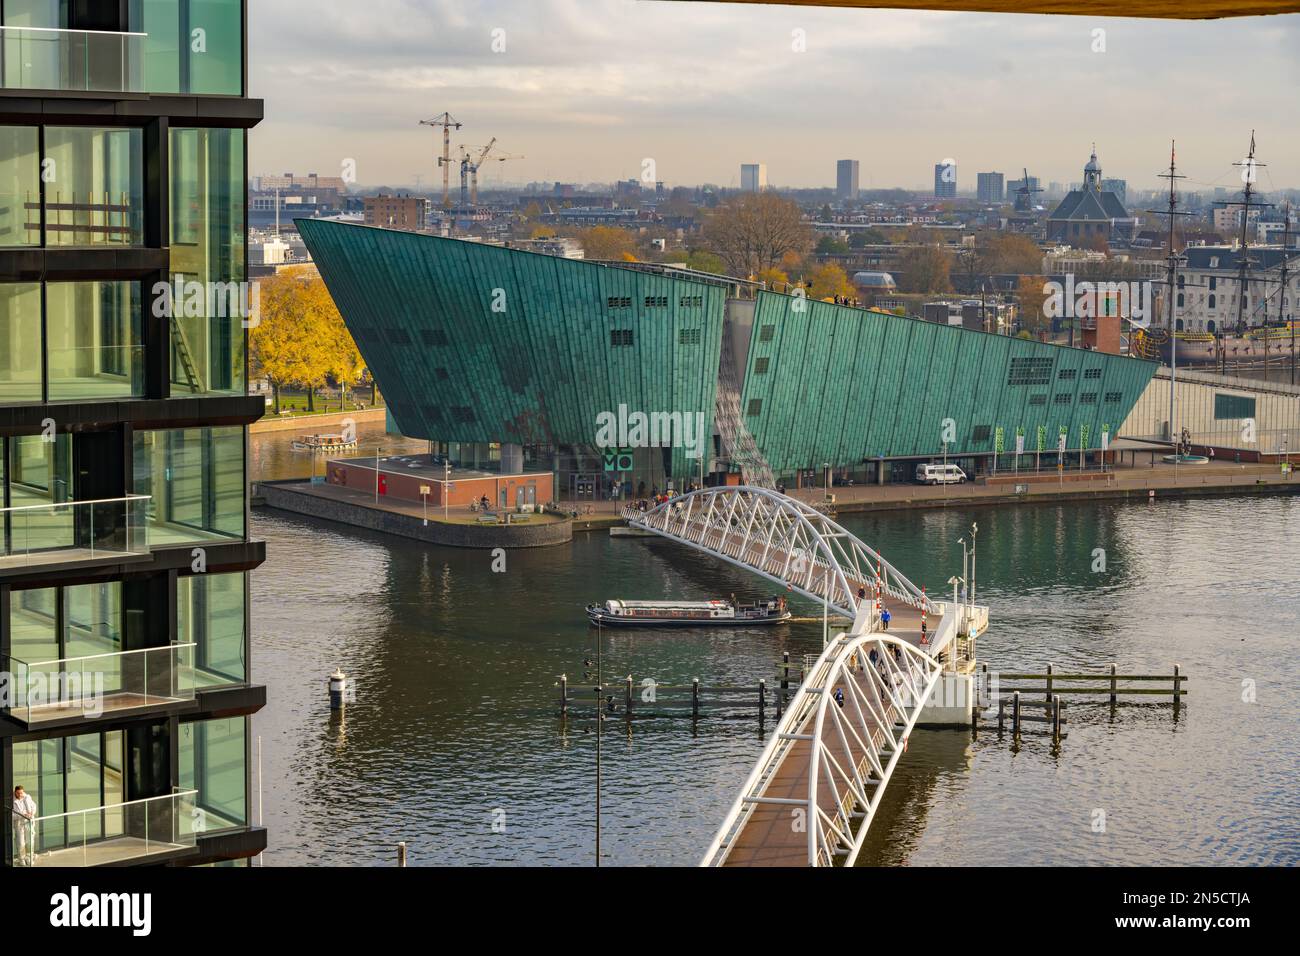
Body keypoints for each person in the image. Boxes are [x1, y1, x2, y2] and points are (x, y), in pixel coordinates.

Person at [12, 785, 36, 867]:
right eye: (18, 793)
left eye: (21, 793)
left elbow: (34, 806)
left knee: (30, 841)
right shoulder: (12, 801)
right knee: (21, 842)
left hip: (28, 822)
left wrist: (32, 813)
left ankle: (29, 857)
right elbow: (11, 815)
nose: (20, 795)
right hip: (19, 824)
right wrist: (22, 815)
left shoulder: (27, 797)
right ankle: (21, 859)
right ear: (15, 792)